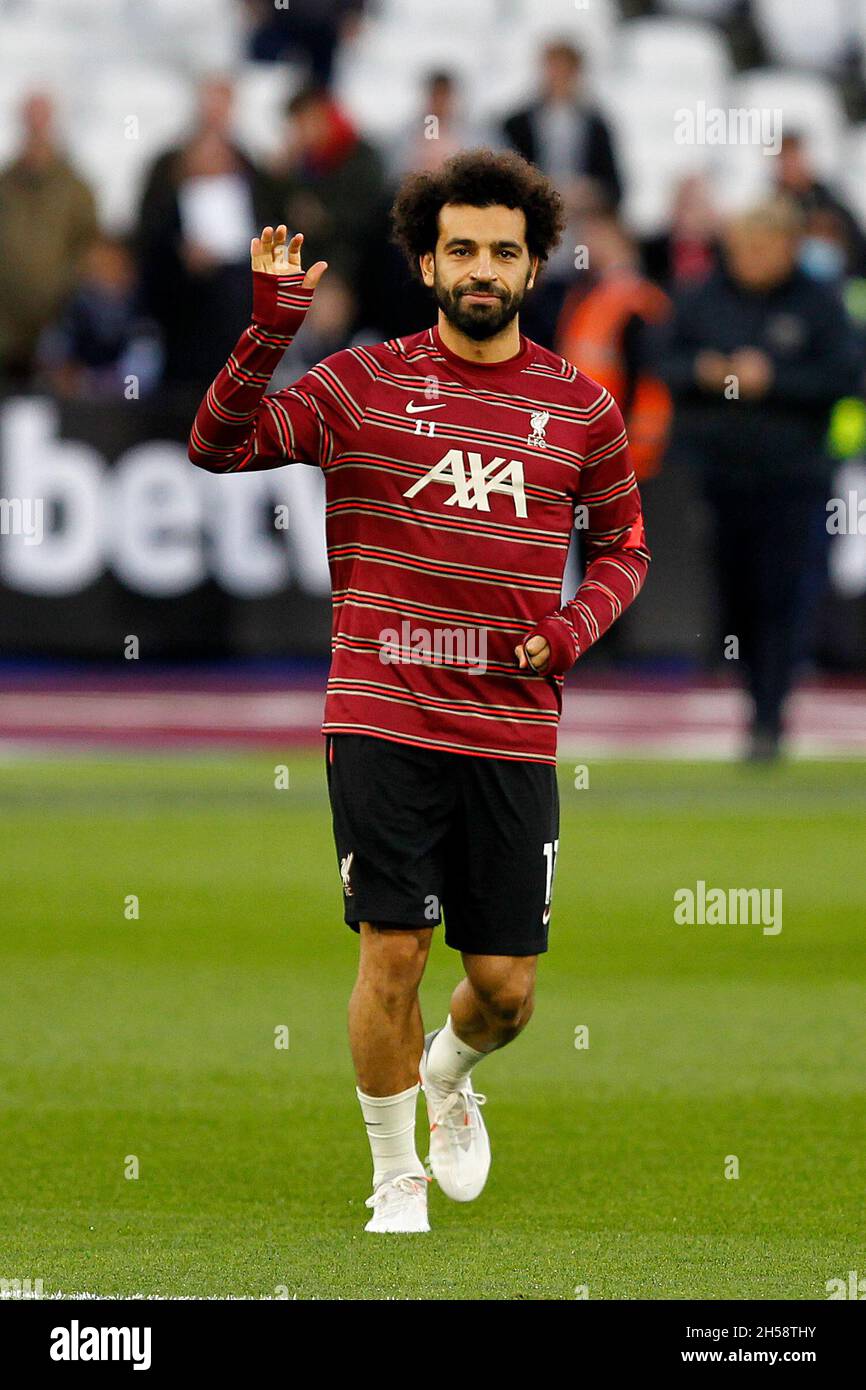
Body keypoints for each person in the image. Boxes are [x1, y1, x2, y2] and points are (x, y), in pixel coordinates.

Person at [188, 150, 650, 1233]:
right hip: (380, 705)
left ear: (534, 266)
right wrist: (266, 332)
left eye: (502, 250)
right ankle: (394, 1177)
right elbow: (217, 444)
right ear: (424, 261)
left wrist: (573, 626)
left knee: (505, 989)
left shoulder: (580, 407)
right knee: (391, 947)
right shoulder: (357, 384)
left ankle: (448, 1073)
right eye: (460, 249)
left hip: (510, 722)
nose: (480, 268)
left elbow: (624, 544)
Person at [657, 196, 863, 760]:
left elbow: (845, 374)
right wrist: (705, 372)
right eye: (743, 247)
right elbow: (662, 361)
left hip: (793, 476)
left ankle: (770, 716)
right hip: (719, 475)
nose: (751, 259)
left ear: (789, 248)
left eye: (764, 248)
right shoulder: (702, 297)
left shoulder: (819, 303)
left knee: (784, 595)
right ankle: (755, 698)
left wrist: (774, 379)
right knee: (735, 595)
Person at [136, 76, 275, 392]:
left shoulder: (250, 167)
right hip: (180, 314)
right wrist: (179, 252)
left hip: (236, 314)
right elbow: (148, 233)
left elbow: (268, 229)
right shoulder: (166, 166)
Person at [502, 42, 622, 348]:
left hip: (579, 236)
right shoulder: (516, 122)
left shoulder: (596, 125)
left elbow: (616, 187)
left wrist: (588, 193)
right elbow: (502, 179)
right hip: (529, 232)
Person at [557, 211, 673, 482]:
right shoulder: (588, 294)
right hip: (591, 433)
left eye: (598, 236)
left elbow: (643, 370)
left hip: (626, 437)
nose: (589, 244)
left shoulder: (638, 301)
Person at [0, 92, 99, 384]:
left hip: (59, 325)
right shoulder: (5, 186)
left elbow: (90, 247)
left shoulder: (76, 188)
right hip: (6, 325)